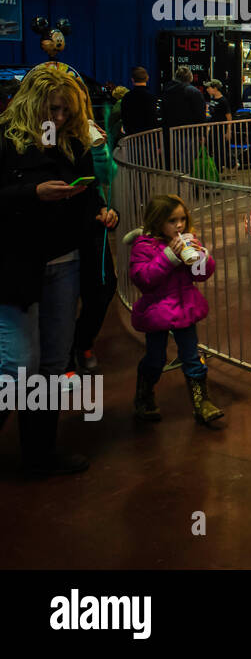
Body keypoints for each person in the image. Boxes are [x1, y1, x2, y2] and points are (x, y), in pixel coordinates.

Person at [0, 67, 118, 474]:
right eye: (53, 109)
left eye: (67, 111)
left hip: (65, 263)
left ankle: (40, 452)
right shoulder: (5, 139)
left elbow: (89, 193)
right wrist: (33, 194)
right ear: (33, 103)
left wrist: (102, 213)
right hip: (15, 267)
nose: (60, 118)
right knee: (17, 366)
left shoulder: (72, 141)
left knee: (52, 363)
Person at [124, 194, 222, 426]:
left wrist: (201, 258)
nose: (179, 225)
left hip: (184, 308)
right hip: (157, 312)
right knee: (155, 358)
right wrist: (169, 256)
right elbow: (143, 279)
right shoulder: (144, 246)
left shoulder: (187, 241)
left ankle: (201, 403)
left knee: (192, 357)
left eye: (182, 219)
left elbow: (199, 275)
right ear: (157, 221)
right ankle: (144, 396)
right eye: (172, 220)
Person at [160, 66, 206, 169]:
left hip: (170, 132)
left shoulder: (166, 91)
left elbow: (163, 113)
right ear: (190, 78)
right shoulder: (194, 92)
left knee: (173, 163)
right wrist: (202, 133)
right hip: (189, 133)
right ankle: (186, 183)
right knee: (187, 163)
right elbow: (200, 115)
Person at [119, 66, 157, 137]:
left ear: (132, 80)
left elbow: (124, 120)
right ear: (147, 78)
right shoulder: (152, 97)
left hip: (131, 141)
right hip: (149, 141)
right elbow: (153, 121)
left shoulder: (126, 97)